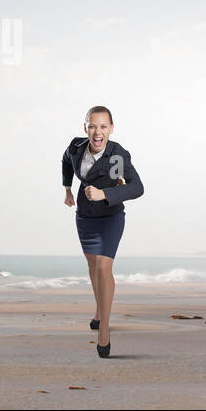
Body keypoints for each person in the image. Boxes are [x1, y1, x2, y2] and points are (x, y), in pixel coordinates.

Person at [61, 105, 144, 358]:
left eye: (103, 126)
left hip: (110, 216)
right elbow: (65, 161)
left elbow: (136, 188)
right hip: (85, 215)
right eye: (93, 126)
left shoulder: (117, 155)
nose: (98, 132)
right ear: (85, 127)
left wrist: (105, 193)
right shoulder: (76, 147)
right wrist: (67, 188)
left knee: (103, 267)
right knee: (91, 265)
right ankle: (99, 310)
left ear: (111, 129)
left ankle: (104, 329)